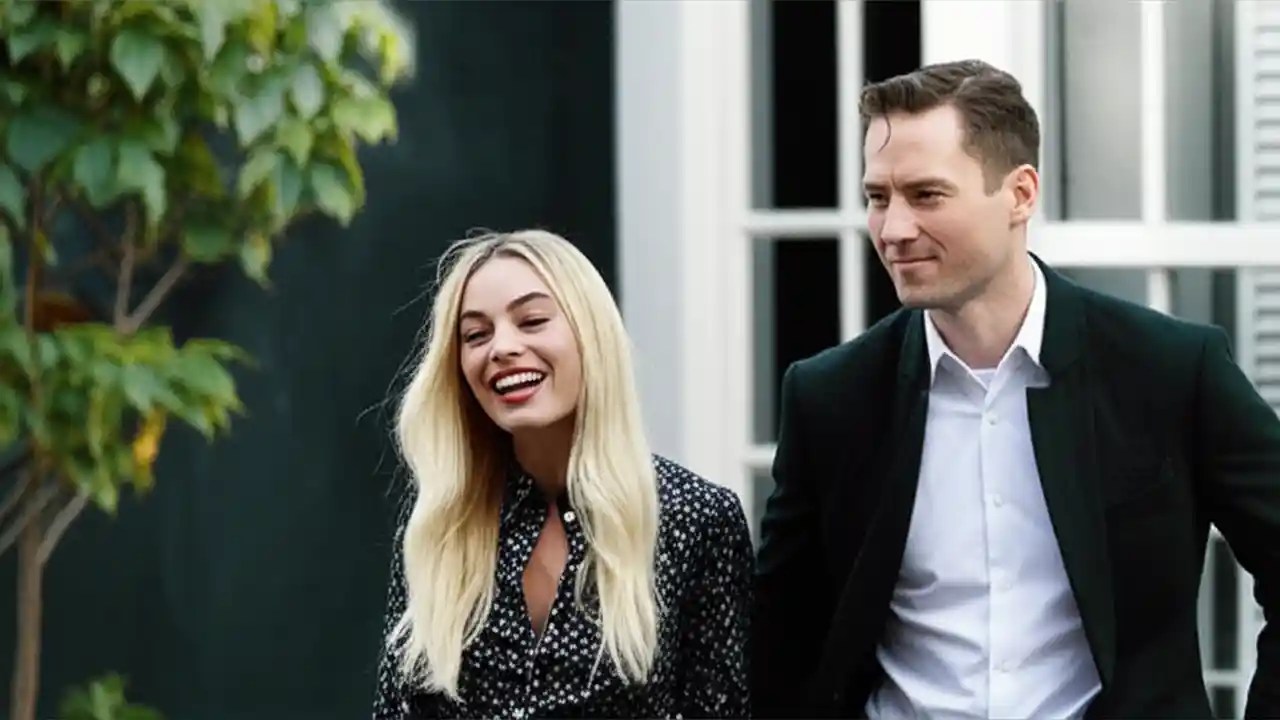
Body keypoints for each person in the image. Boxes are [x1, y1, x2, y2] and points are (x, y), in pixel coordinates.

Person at [749, 59, 1280, 719]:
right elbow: (781, 639)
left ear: (1021, 194)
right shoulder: (829, 396)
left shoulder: (1171, 370)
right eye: (878, 197)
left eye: (926, 195)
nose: (892, 230)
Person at [372, 229, 753, 719]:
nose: (502, 348)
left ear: (590, 335)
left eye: (531, 320)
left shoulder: (696, 518)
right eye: (475, 335)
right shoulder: (440, 518)